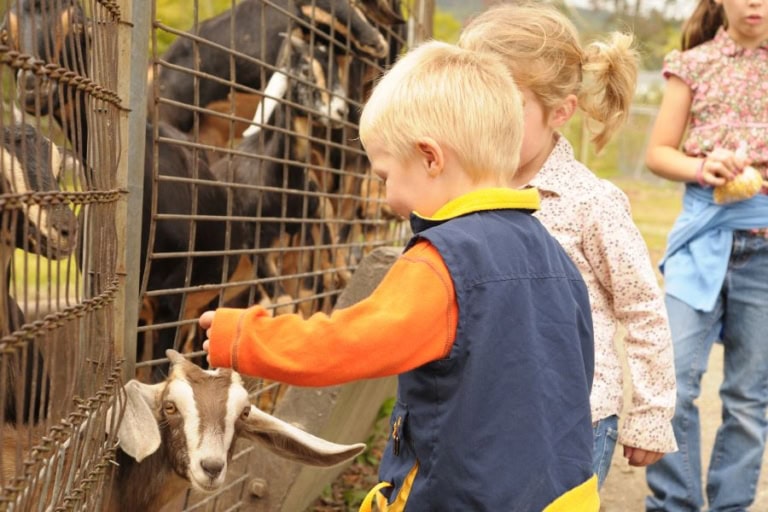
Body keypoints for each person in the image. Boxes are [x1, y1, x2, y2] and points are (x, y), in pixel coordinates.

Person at [200, 40, 600, 511]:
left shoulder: (443, 262)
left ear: (431, 158)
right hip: (561, 494)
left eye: (385, 173)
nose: (386, 196)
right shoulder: (556, 257)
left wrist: (245, 337)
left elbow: (348, 343)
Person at [458, 1, 678, 491]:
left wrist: (650, 413)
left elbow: (642, 309)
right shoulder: (458, 193)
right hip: (484, 416)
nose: (482, 120)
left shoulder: (589, 203)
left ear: (560, 111)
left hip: (573, 421)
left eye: (504, 105)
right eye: (472, 99)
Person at [641, 0, 768, 510]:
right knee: (672, 383)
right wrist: (702, 168)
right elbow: (658, 152)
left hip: (764, 250)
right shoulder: (691, 64)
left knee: (748, 398)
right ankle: (676, 503)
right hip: (703, 240)